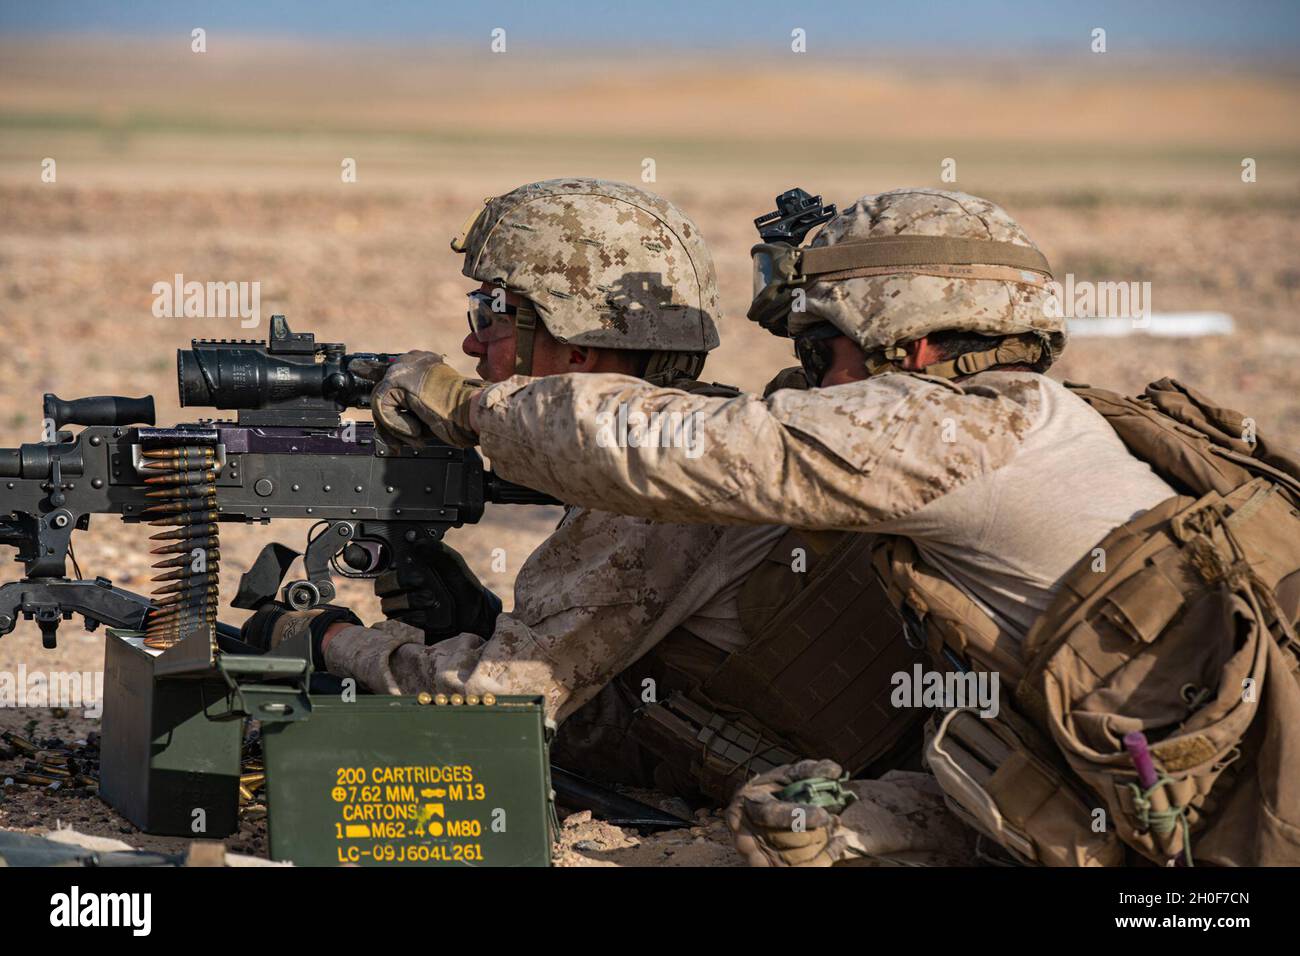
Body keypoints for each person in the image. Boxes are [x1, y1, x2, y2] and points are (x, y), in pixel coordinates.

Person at [371, 187, 1300, 866]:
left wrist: (465, 407)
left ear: (916, 345)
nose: (813, 383)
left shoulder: (958, 429)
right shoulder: (1040, 423)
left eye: (824, 350)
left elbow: (676, 444)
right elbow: (1007, 740)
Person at [243, 178, 921, 806]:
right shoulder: (701, 435)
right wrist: (475, 619)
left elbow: (496, 703)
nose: (472, 343)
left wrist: (328, 638)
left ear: (577, 354)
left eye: (495, 315)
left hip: (803, 792)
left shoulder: (654, 495)